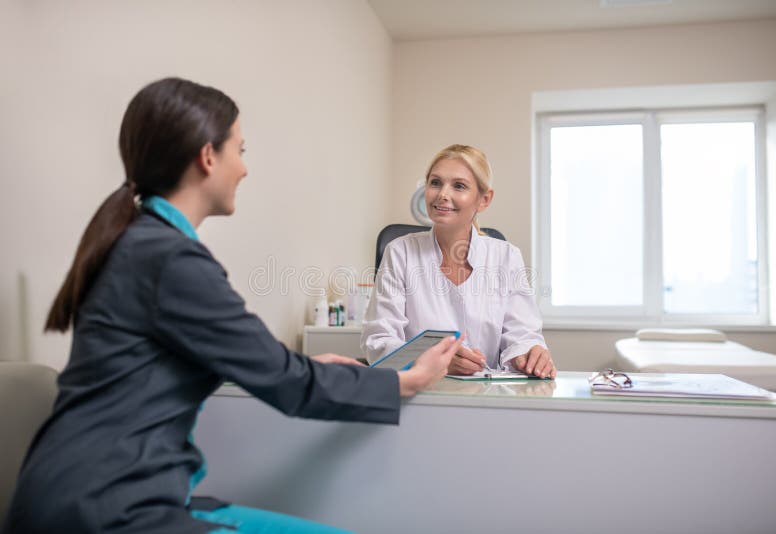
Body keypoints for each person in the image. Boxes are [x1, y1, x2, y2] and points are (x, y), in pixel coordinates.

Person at [2, 78, 461, 534]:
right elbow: (289, 384)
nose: (244, 168)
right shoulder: (168, 258)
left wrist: (294, 364)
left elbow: (177, 361)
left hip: (103, 492)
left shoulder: (143, 244)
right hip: (101, 508)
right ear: (207, 156)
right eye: (240, 150)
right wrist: (404, 380)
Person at [361, 144, 555, 379]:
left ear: (484, 200)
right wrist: (432, 360)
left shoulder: (506, 257)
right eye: (435, 183)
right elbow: (378, 342)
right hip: (420, 395)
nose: (443, 194)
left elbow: (522, 336)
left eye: (459, 186)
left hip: (486, 398)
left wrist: (528, 354)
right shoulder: (400, 252)